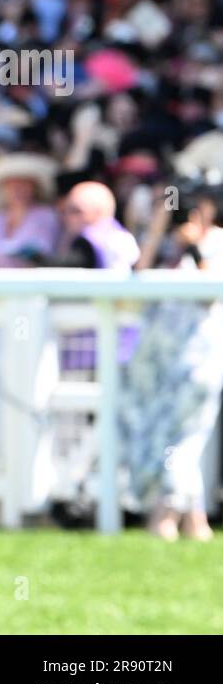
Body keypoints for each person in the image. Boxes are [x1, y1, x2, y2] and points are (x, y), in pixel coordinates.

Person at [121, 183, 223, 541]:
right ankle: (195, 521)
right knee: (159, 433)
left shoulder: (218, 242)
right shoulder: (162, 247)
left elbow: (212, 287)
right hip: (155, 360)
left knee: (184, 436)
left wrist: (194, 244)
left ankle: (164, 516)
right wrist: (159, 231)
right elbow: (135, 279)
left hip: (200, 358)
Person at [0, 152, 60, 268]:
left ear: (34, 188)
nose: (18, 190)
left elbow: (43, 252)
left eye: (24, 185)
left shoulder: (45, 215)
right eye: (13, 186)